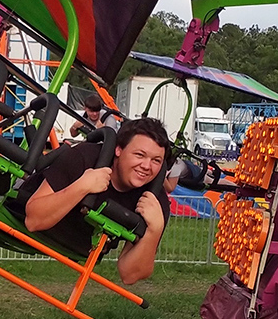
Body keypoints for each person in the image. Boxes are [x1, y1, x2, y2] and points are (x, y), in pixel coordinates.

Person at [25, 117, 171, 285]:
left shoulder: (154, 200)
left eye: (156, 161)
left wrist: (154, 231)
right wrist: (82, 187)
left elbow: (130, 275)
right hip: (25, 210)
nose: (146, 166)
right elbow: (33, 221)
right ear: (118, 150)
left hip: (79, 245)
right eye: (139, 155)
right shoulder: (86, 157)